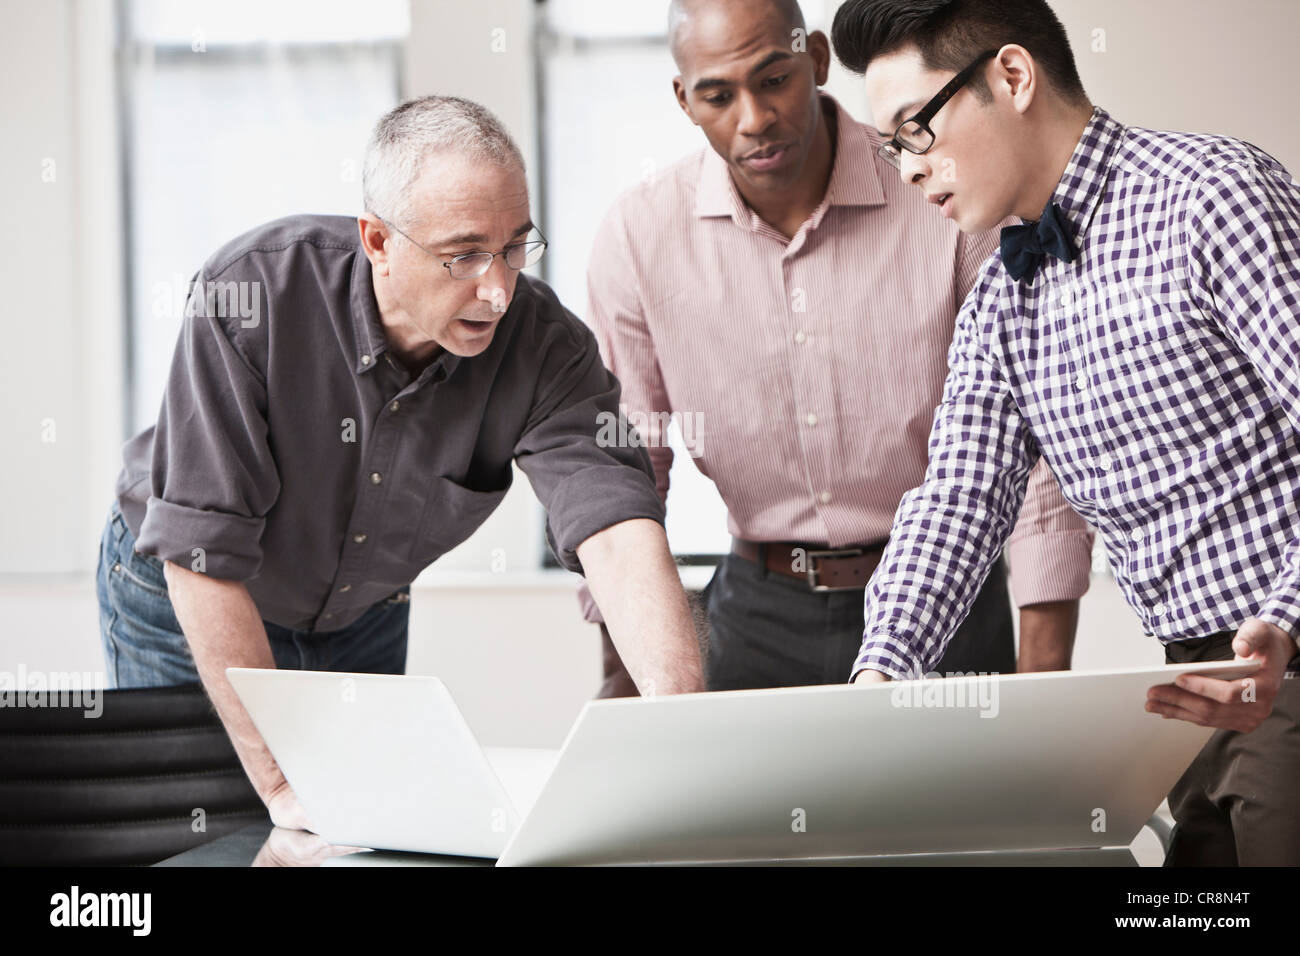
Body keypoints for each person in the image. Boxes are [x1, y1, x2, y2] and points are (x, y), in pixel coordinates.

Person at [97, 95, 705, 830]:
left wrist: (682, 737)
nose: (499, 289)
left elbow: (616, 526)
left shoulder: (545, 345)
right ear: (378, 242)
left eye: (516, 247)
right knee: (205, 834)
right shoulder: (249, 295)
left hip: (360, 610)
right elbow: (205, 553)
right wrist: (281, 784)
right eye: (465, 255)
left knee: (367, 832)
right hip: (187, 590)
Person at [833, 0, 1300, 865]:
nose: (905, 170)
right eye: (888, 148)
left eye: (915, 131)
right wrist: (882, 672)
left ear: (1011, 77)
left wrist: (1286, 616)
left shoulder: (1211, 199)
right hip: (1185, 696)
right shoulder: (1001, 304)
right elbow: (958, 503)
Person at [579, 0, 1095, 696]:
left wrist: (1043, 685)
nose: (754, 118)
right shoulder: (639, 236)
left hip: (950, 599)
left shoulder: (946, 192)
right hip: (755, 614)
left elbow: (1037, 444)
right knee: (743, 809)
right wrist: (626, 676)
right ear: (683, 99)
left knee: (957, 810)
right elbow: (626, 470)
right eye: (717, 95)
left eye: (773, 80)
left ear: (816, 60)